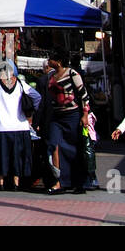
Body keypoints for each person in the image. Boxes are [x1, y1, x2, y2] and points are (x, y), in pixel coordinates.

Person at [0, 60, 40, 191]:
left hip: (2, 127)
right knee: (17, 155)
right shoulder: (22, 84)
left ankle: (0, 181)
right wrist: (31, 114)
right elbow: (37, 97)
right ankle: (16, 182)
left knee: (1, 155)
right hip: (20, 126)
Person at [43, 49, 89, 193]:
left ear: (59, 61)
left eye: (51, 59)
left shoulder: (72, 74)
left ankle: (78, 182)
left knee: (74, 149)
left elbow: (83, 95)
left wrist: (85, 115)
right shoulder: (51, 76)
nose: (49, 61)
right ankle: (58, 180)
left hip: (73, 116)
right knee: (54, 144)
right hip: (57, 116)